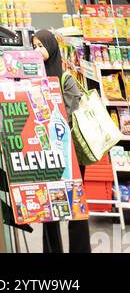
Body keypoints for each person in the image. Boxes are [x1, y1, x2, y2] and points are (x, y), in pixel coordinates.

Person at [32, 29, 91, 254]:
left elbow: (68, 115)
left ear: (52, 46)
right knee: (49, 206)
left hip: (70, 152)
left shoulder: (66, 78)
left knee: (76, 203)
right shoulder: (35, 76)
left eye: (41, 45)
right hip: (48, 151)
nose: (37, 50)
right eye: (34, 45)